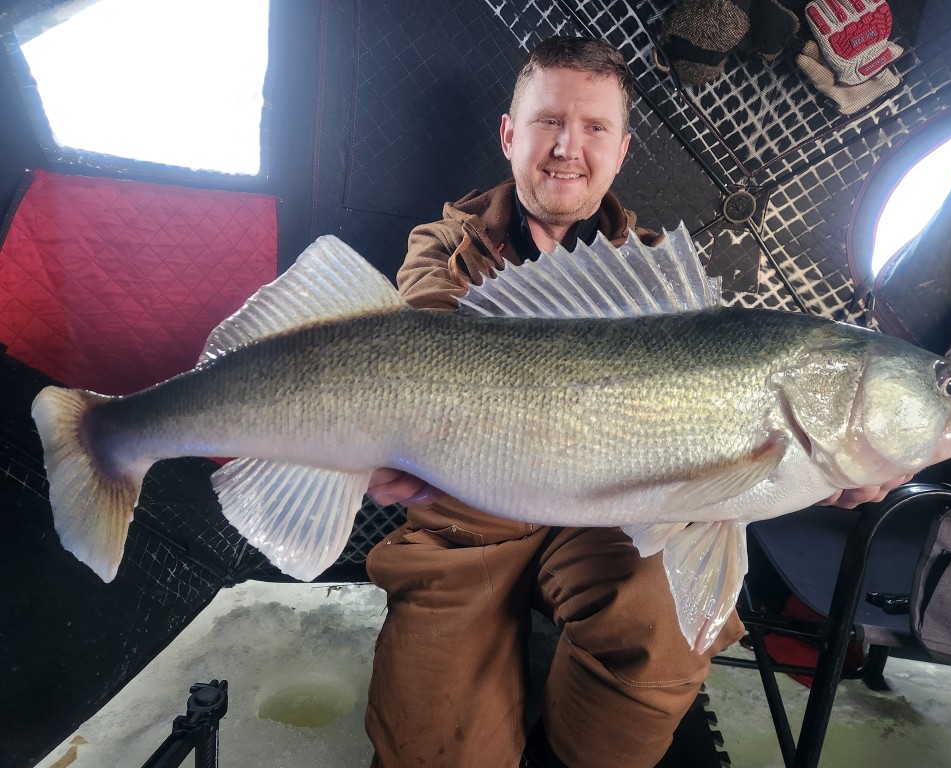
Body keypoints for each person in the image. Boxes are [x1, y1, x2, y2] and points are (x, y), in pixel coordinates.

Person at [362, 36, 909, 768]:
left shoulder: (661, 283)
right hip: (468, 521)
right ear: (509, 135)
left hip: (615, 516)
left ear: (621, 150)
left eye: (593, 129)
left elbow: (734, 430)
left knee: (665, 634)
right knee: (429, 747)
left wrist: (831, 463)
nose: (566, 148)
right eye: (548, 121)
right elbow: (426, 351)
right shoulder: (443, 246)